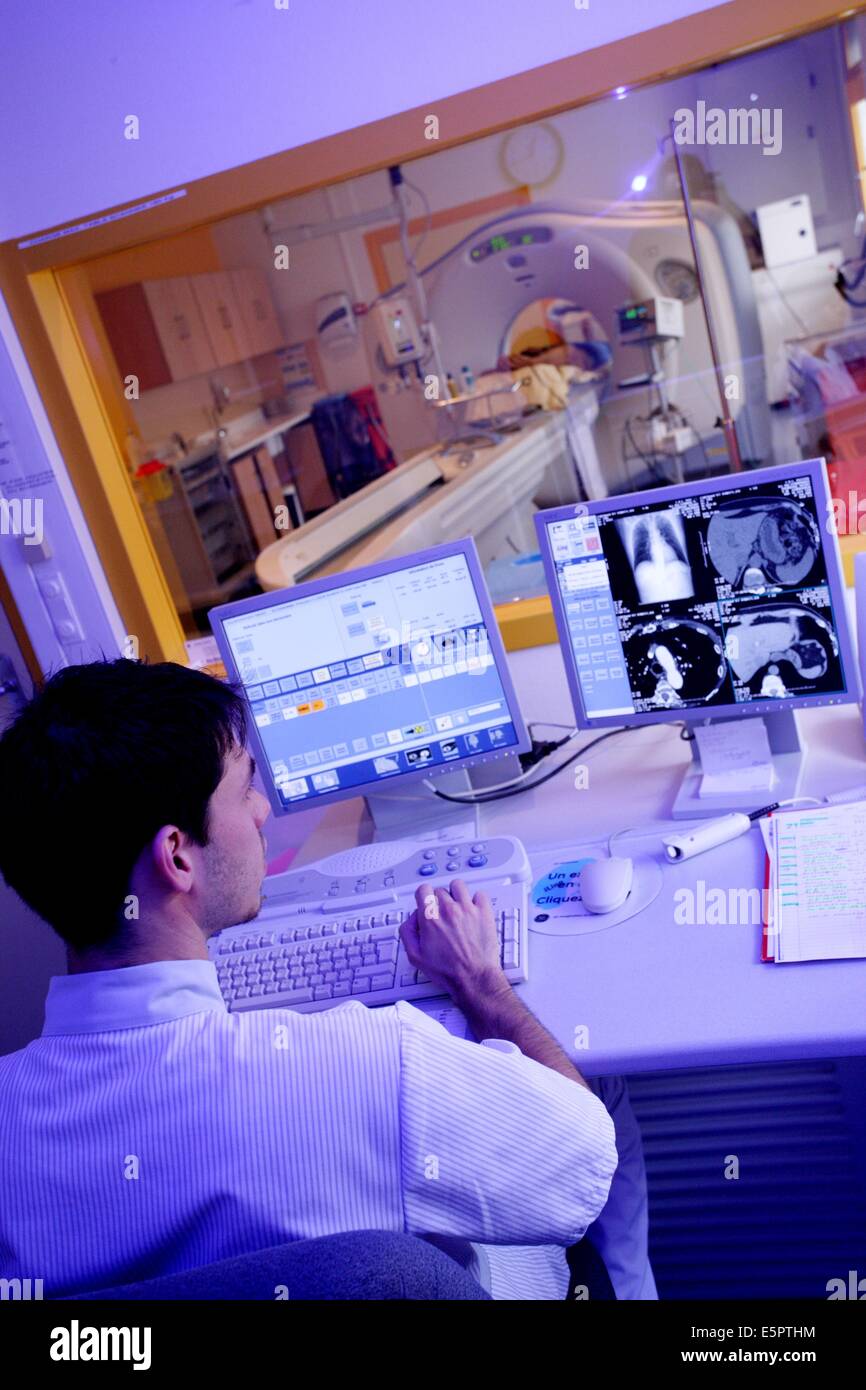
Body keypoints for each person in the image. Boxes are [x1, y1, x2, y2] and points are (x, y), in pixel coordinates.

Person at [0, 659, 654, 1300]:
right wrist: (484, 987)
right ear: (177, 856)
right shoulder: (368, 1065)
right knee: (606, 1101)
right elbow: (581, 1163)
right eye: (243, 787)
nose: (260, 811)